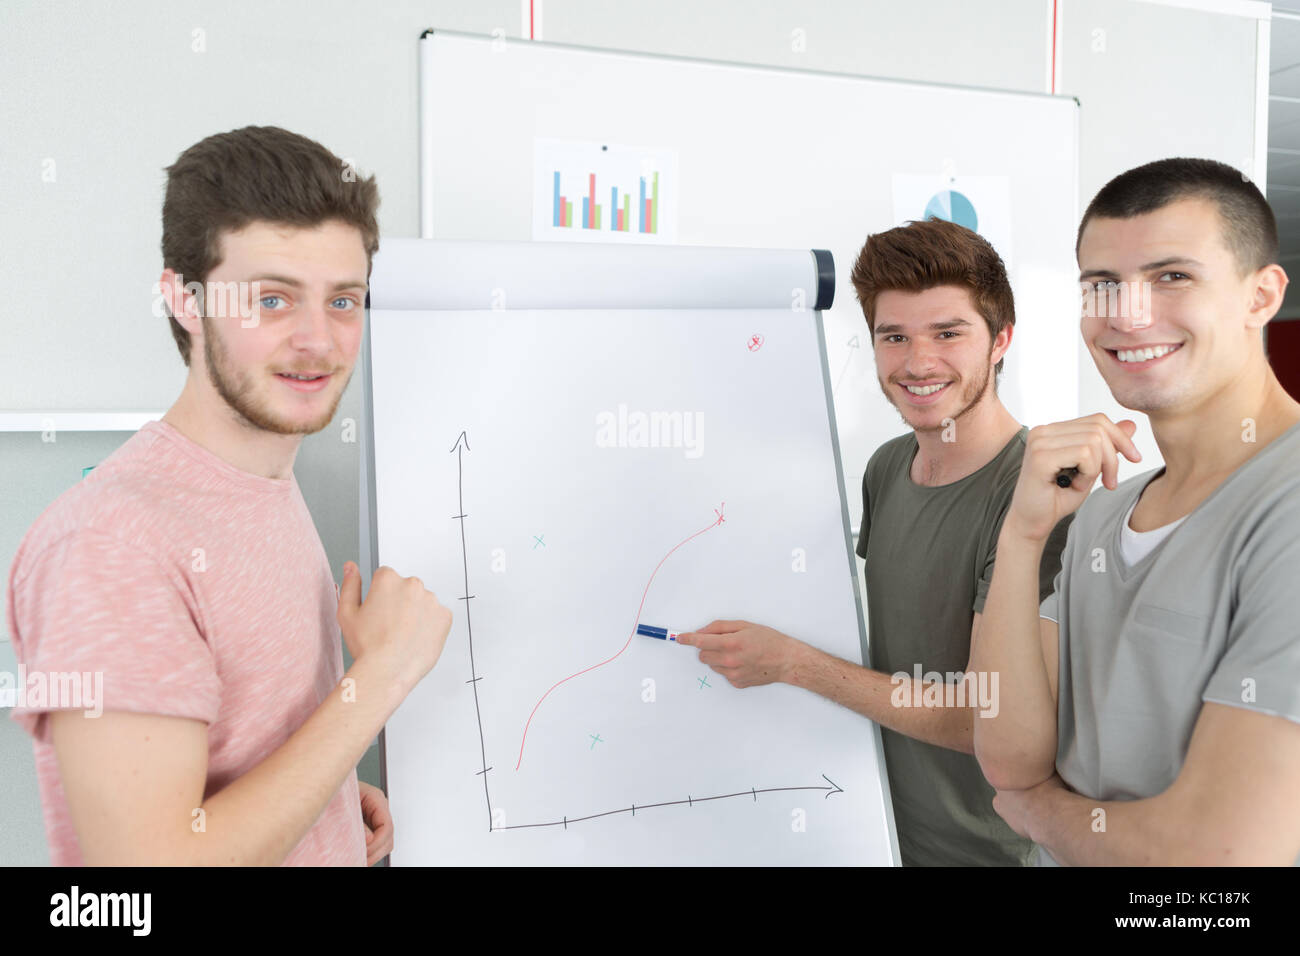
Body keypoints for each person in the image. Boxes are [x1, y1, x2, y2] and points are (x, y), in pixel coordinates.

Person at [5, 126, 453, 866]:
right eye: (272, 298)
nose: (319, 339)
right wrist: (379, 678)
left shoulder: (264, 482)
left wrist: (329, 804)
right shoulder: (109, 546)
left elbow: (234, 765)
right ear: (182, 298)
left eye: (344, 300)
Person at [679, 218, 1070, 865]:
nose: (918, 362)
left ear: (1001, 340)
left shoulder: (1043, 497)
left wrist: (793, 664)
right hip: (876, 834)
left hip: (989, 854)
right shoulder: (886, 467)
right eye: (895, 337)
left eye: (948, 333)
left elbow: (987, 717)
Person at [971, 157, 1300, 865]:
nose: (1126, 315)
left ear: (1260, 295)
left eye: (1172, 276)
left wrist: (1040, 816)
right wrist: (1024, 532)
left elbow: (1222, 857)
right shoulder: (1106, 508)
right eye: (1103, 285)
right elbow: (1008, 757)